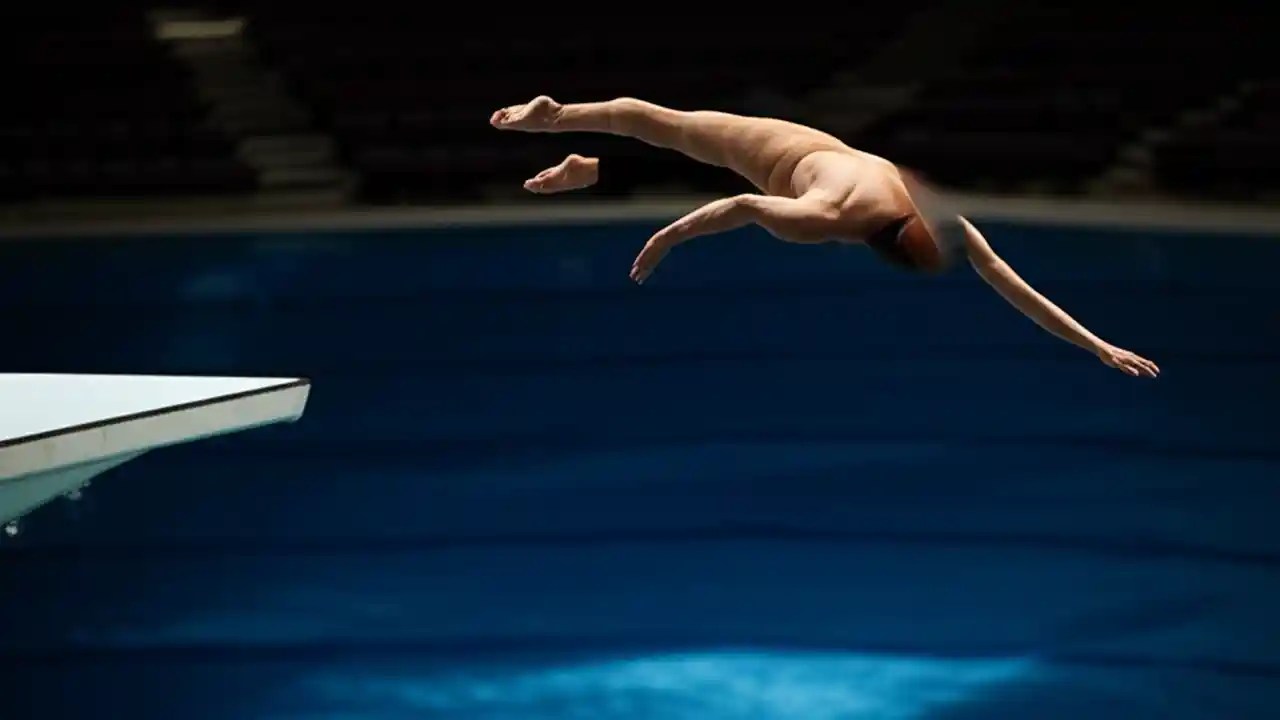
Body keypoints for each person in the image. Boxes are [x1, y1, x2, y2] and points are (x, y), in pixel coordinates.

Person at [490, 95, 1160, 379]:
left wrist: (1097, 344)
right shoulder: (829, 223)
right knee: (664, 128)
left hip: (805, 152)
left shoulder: (924, 210)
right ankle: (561, 128)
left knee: (664, 129)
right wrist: (670, 239)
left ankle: (583, 156)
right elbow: (746, 203)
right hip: (779, 156)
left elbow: (1010, 283)